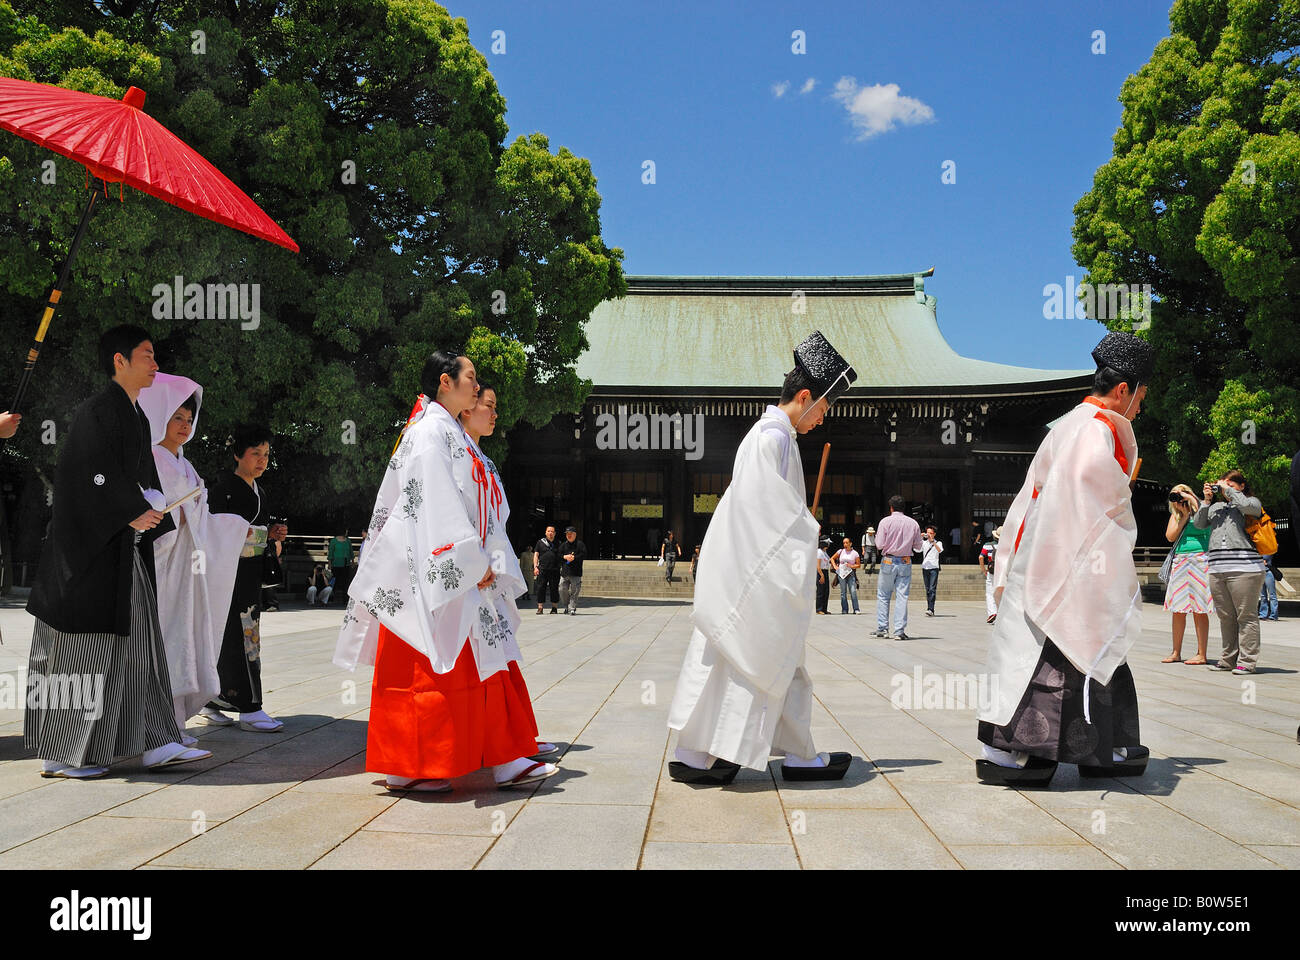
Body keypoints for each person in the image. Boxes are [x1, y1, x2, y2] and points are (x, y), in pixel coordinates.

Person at [333, 351, 556, 791]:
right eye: (470, 378)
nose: (477, 387)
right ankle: (429, 765)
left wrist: (480, 559)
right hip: (431, 569)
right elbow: (435, 502)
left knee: (466, 665)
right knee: (443, 667)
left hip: (443, 565)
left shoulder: (445, 431)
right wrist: (471, 562)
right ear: (445, 382)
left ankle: (447, 762)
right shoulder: (431, 431)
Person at [668, 330, 856, 785]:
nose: (823, 420)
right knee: (753, 660)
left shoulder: (774, 436)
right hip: (755, 577)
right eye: (824, 409)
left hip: (756, 571)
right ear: (806, 396)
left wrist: (800, 537)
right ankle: (704, 754)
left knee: (777, 663)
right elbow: (764, 511)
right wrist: (805, 537)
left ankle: (780, 754)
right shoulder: (771, 437)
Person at [24, 325, 210, 778]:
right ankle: (63, 753)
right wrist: (130, 508)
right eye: (147, 355)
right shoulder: (96, 412)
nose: (155, 363)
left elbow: (142, 482)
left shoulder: (137, 418)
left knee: (141, 646)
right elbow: (83, 479)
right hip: (86, 559)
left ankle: (156, 740)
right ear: (119, 361)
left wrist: (150, 508)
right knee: (79, 652)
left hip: (124, 553)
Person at [976, 331, 1153, 788]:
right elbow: (1089, 503)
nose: (1139, 407)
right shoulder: (1093, 431)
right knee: (1071, 648)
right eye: (1139, 397)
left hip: (1042, 554)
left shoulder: (1070, 424)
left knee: (1041, 655)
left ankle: (1029, 750)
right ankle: (1038, 752)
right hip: (1066, 563)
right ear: (1121, 391)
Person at [138, 373, 249, 745]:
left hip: (188, 566)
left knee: (183, 639)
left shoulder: (185, 463)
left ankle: (173, 723)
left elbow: (199, 514)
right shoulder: (150, 457)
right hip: (165, 563)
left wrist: (233, 527)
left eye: (189, 419)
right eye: (177, 418)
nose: (185, 426)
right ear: (160, 417)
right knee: (165, 640)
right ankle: (157, 727)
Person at [459, 382, 558, 760]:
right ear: (468, 409)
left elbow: (495, 518)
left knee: (502, 658)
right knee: (488, 662)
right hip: (470, 573)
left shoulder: (482, 458)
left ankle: (515, 738)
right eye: (490, 406)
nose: (495, 414)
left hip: (486, 572)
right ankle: (502, 747)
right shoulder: (455, 451)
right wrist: (472, 559)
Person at [201, 424, 288, 732]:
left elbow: (256, 532)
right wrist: (257, 535)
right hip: (227, 574)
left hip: (247, 574)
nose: (262, 460)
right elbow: (210, 530)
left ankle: (216, 699)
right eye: (255, 454)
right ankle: (250, 707)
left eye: (266, 454)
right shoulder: (222, 489)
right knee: (239, 637)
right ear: (238, 454)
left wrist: (271, 534)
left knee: (239, 636)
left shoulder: (258, 491)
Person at [1195, 470, 1267, 675]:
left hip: (1245, 568)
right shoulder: (1217, 507)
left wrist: (1230, 491)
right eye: (1223, 484)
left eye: (1231, 484)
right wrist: (1207, 501)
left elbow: (1248, 507)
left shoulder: (1250, 503)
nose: (1226, 488)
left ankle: (1247, 661)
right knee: (1226, 616)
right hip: (1218, 568)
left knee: (1246, 615)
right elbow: (1199, 523)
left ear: (1241, 486)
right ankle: (1228, 658)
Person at [1161, 483, 1212, 664]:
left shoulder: (1201, 510)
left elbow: (1203, 525)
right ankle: (1176, 652)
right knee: (1178, 608)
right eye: (1174, 496)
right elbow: (1170, 536)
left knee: (1199, 608)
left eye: (1181, 495)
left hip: (1200, 559)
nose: (1178, 499)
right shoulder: (1176, 515)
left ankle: (1201, 653)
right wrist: (1182, 516)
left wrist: (1191, 500)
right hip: (1181, 560)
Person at [873, 495, 922, 640]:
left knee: (883, 595)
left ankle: (883, 628)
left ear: (891, 508)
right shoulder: (913, 523)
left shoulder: (885, 522)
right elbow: (919, 547)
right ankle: (899, 631)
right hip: (905, 561)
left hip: (888, 560)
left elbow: (879, 544)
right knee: (902, 596)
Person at [533, 524, 561, 614]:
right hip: (542, 569)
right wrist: (535, 567)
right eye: (548, 531)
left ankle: (554, 608)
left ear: (555, 533)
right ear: (545, 532)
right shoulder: (540, 542)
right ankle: (540, 608)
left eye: (552, 531)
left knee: (554, 588)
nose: (550, 533)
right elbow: (536, 555)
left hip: (555, 570)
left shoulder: (558, 543)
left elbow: (561, 556)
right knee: (541, 588)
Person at [559, 526, 586, 614]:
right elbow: (558, 556)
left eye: (570, 534)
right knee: (562, 589)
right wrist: (564, 557)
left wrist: (574, 558)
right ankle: (566, 605)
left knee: (575, 591)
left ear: (575, 534)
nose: (568, 535)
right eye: (567, 534)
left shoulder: (580, 544)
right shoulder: (563, 545)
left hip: (576, 572)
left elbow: (583, 555)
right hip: (565, 572)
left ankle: (572, 608)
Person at [831, 536, 861, 614]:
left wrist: (851, 566)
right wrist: (835, 566)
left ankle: (856, 609)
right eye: (844, 543)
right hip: (841, 574)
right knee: (843, 593)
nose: (845, 544)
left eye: (847, 542)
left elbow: (858, 565)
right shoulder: (840, 551)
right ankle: (844, 609)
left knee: (853, 591)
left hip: (850, 574)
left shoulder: (855, 553)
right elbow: (832, 559)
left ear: (850, 543)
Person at [919, 525, 943, 617]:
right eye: (927, 533)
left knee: (932, 588)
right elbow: (917, 550)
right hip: (925, 567)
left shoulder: (938, 543)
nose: (929, 535)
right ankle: (929, 607)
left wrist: (933, 542)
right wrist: (919, 538)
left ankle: (931, 609)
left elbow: (940, 550)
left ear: (934, 534)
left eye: (931, 533)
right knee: (928, 589)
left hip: (934, 568)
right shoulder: (924, 543)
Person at [327, 531, 354, 605]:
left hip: (346, 564)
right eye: (345, 531)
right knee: (334, 581)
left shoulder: (348, 540)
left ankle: (345, 599)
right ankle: (331, 598)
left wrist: (352, 561)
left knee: (345, 582)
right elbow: (331, 552)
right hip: (336, 564)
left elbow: (351, 552)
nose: (347, 532)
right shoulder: (334, 541)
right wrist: (329, 564)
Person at [980, 529, 1000, 623]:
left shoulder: (987, 545)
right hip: (1003, 571)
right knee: (1001, 593)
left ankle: (992, 613)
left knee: (990, 593)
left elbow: (981, 557)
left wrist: (984, 570)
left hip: (992, 571)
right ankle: (1001, 614)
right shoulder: (1007, 544)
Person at [1259, 553, 1281, 622]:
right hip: (1260, 573)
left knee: (1272, 595)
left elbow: (1264, 559)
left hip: (1268, 572)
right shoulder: (1258, 550)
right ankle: (1263, 614)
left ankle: (1273, 616)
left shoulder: (1268, 550)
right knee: (1263, 596)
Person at [815, 537, 831, 614]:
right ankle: (819, 609)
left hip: (825, 571)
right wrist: (821, 575)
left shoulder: (825, 552)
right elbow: (817, 565)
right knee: (820, 591)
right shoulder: (819, 552)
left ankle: (824, 608)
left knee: (826, 591)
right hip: (821, 572)